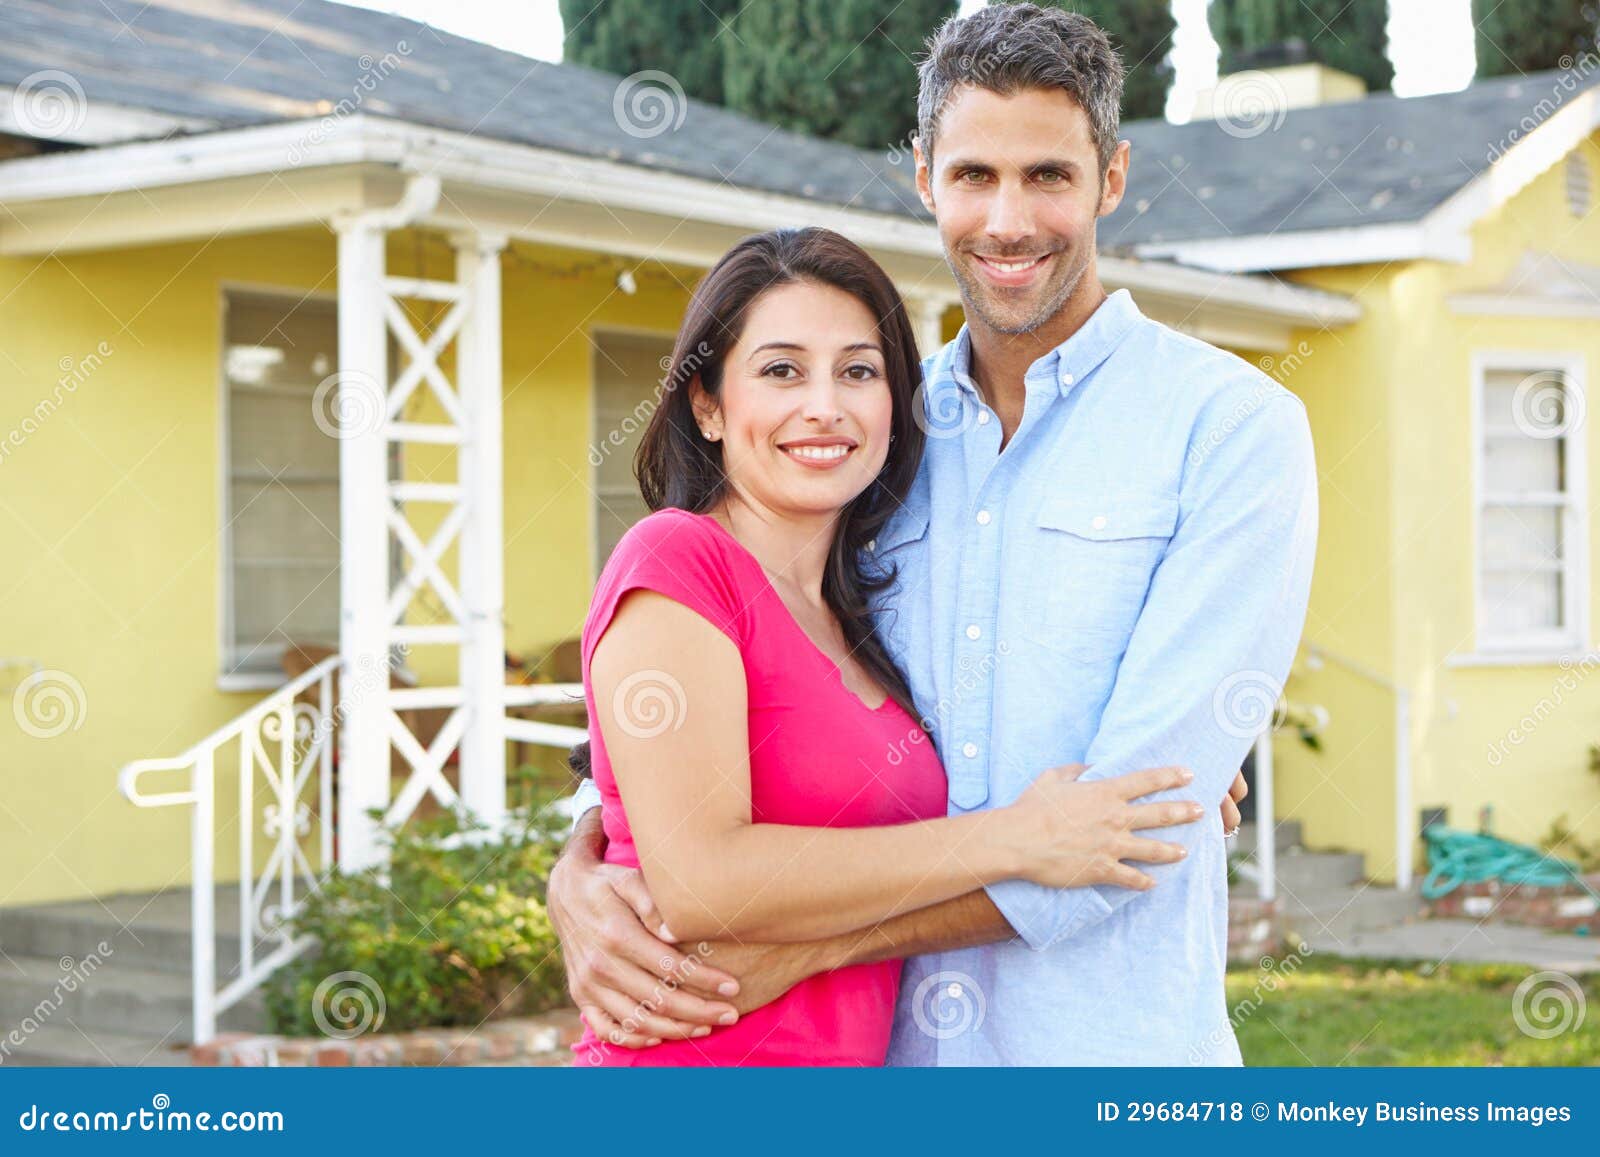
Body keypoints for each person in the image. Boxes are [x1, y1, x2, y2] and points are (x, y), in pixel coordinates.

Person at [555, 3, 1316, 1065]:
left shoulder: (1230, 430)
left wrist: (812, 948)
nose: (1007, 221)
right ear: (924, 179)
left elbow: (1131, 827)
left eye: (1047, 174)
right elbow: (759, 694)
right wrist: (583, 858)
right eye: (972, 176)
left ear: (1111, 177)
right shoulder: (877, 443)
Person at [568, 225, 1205, 1066]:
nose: (824, 405)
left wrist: (1175, 754)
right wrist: (1020, 836)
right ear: (709, 405)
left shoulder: (866, 606)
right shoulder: (677, 560)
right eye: (782, 369)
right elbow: (702, 884)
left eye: (858, 370)